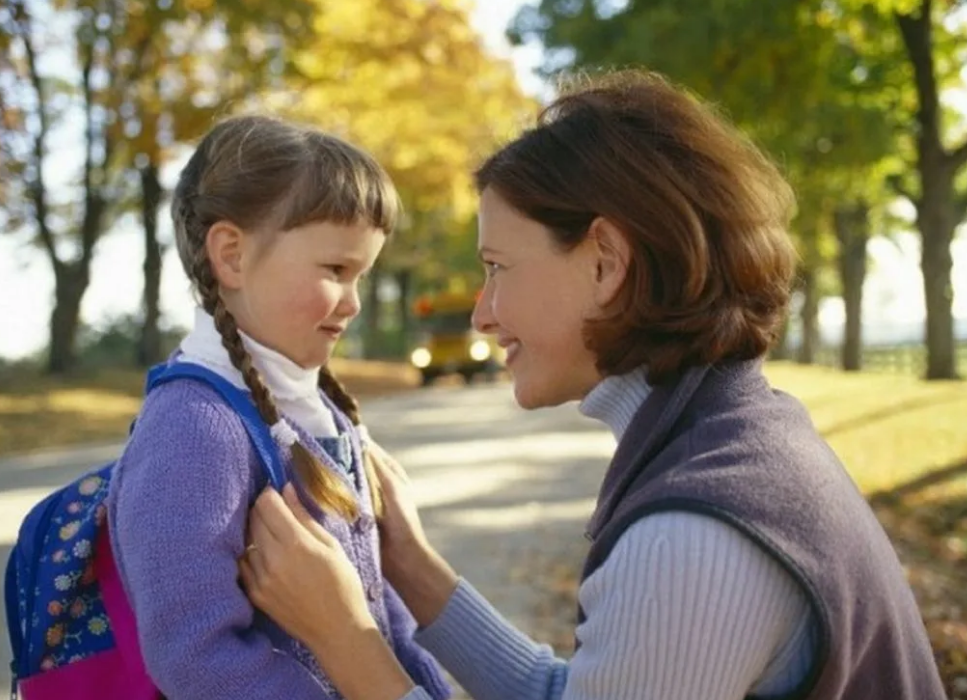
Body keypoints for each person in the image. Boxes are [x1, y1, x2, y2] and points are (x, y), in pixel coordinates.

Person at [238, 72, 947, 700]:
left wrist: (345, 638)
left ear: (604, 263)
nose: (483, 313)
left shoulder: (691, 538)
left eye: (497, 267)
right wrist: (410, 567)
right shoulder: (739, 439)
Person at [106, 115, 450, 699]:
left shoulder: (319, 412)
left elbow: (378, 607)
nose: (354, 303)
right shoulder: (192, 429)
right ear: (232, 256)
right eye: (337, 270)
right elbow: (194, 656)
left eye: (362, 275)